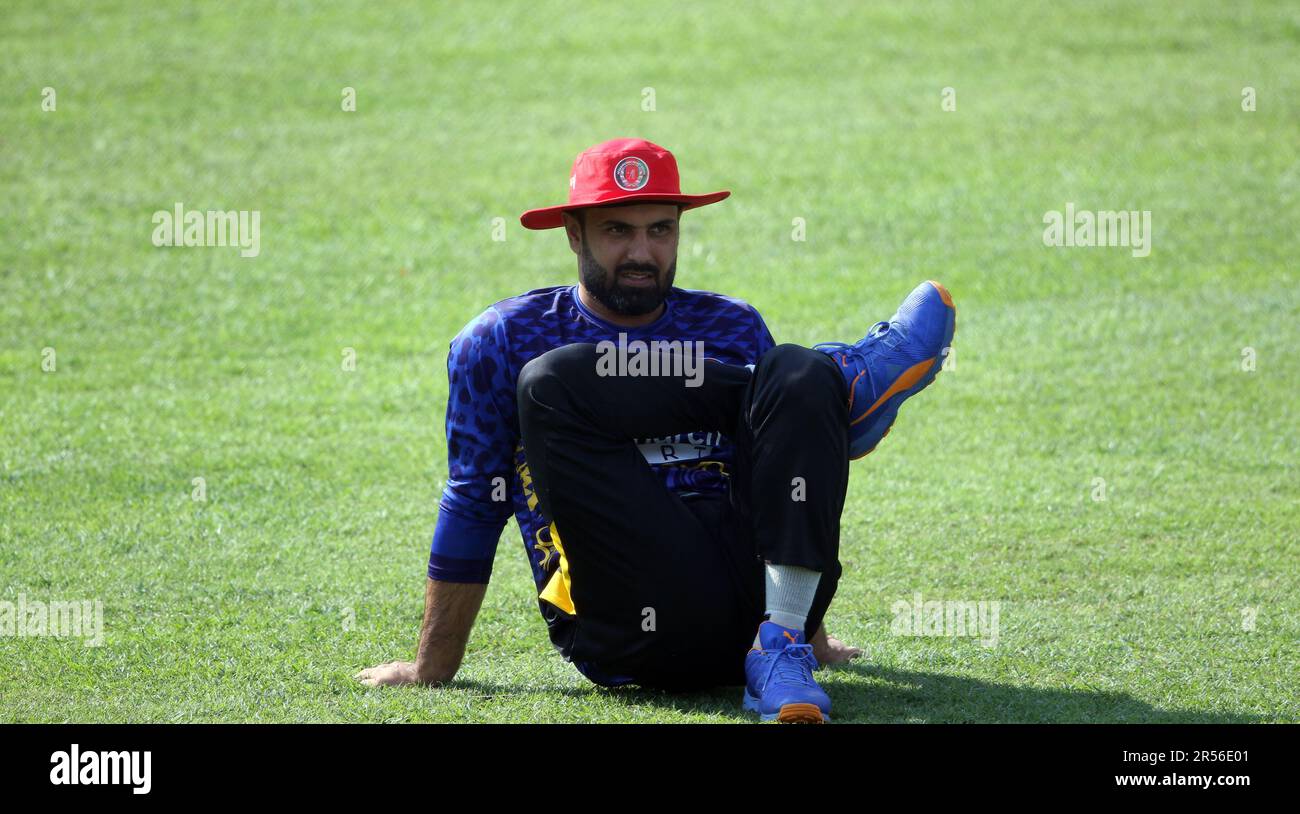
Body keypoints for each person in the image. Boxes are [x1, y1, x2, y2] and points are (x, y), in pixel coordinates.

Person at [356, 138, 956, 722]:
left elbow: (784, 481)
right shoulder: (503, 339)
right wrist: (430, 665)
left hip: (752, 611)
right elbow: (473, 500)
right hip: (628, 620)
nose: (642, 252)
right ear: (574, 233)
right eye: (619, 231)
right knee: (554, 381)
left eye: (660, 230)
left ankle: (782, 644)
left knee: (791, 371)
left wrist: (811, 634)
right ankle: (840, 387)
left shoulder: (732, 323)